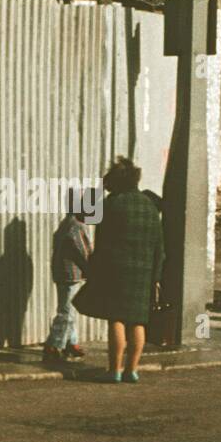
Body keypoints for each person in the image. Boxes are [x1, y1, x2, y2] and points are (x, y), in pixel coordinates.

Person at [74, 157, 165, 383]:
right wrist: (156, 276)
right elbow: (159, 246)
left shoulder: (112, 204)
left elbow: (84, 216)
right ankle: (131, 370)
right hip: (144, 272)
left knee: (117, 319)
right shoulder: (150, 206)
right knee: (138, 321)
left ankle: (114, 370)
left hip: (116, 270)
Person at [41, 192, 93, 365]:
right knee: (67, 312)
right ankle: (52, 345)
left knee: (68, 308)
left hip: (63, 273)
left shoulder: (66, 223)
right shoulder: (76, 226)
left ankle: (71, 342)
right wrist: (93, 268)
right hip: (71, 274)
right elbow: (83, 252)